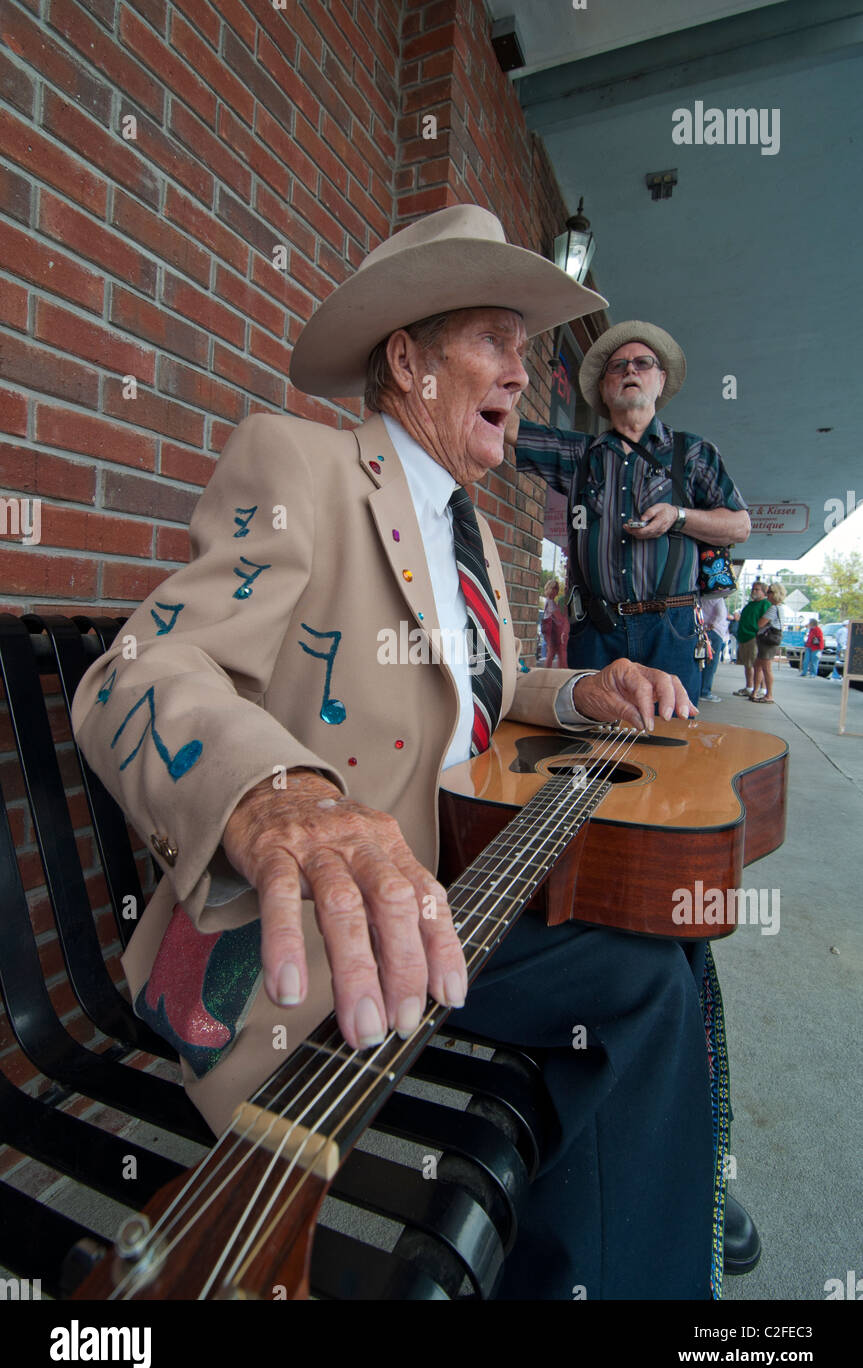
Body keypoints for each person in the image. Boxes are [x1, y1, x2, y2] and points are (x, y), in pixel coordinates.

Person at [70, 206, 753, 1300]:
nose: (519, 374)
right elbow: (138, 671)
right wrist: (276, 791)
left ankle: (635, 1209)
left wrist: (579, 687)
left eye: (522, 351)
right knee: (641, 984)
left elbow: (473, 683)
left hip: (447, 890)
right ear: (405, 358)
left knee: (661, 934)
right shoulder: (299, 461)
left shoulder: (466, 527)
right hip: (320, 939)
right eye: (492, 338)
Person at [505, 321, 750, 709]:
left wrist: (679, 516)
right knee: (593, 742)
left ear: (660, 379)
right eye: (617, 367)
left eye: (642, 363)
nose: (630, 371)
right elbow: (510, 427)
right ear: (604, 388)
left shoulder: (693, 453)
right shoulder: (580, 454)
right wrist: (501, 365)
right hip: (597, 628)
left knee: (667, 745)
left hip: (672, 628)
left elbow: (740, 524)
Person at [750, 582, 786, 704]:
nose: (767, 594)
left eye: (769, 592)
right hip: (771, 640)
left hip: (767, 642)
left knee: (766, 668)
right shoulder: (780, 608)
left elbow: (760, 623)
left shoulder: (773, 608)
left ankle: (769, 694)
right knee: (758, 666)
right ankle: (755, 691)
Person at [733, 582, 770, 698]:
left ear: (764, 592)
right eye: (753, 589)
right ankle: (749, 687)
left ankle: (761, 689)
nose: (753, 591)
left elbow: (766, 623)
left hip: (755, 638)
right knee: (747, 664)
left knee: (757, 665)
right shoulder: (750, 605)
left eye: (757, 590)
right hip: (744, 638)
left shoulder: (765, 604)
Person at [699, 593, 729, 702]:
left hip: (701, 631)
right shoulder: (718, 598)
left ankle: (698, 688)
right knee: (711, 663)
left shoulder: (700, 596)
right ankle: (705, 691)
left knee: (699, 662)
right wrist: (712, 625)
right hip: (715, 632)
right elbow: (721, 615)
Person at [541, 578, 569, 667]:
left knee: (552, 652)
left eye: (556, 588)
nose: (555, 590)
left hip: (550, 631)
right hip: (552, 631)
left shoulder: (549, 602)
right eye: (553, 588)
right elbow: (559, 618)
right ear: (548, 589)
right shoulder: (551, 603)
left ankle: (547, 672)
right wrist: (566, 614)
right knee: (555, 652)